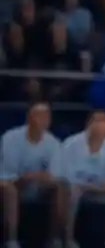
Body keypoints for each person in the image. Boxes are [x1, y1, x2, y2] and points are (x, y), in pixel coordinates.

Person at [55, 111, 105, 248]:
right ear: (88, 126)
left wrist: (94, 187)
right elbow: (67, 178)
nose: (100, 132)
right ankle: (68, 239)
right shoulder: (71, 144)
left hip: (98, 189)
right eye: (97, 127)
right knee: (71, 190)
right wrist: (87, 186)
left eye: (104, 129)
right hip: (75, 190)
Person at [1, 103, 61, 248]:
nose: (44, 121)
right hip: (11, 184)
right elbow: (8, 172)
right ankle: (11, 240)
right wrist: (27, 178)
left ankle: (55, 239)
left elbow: (56, 174)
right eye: (39, 116)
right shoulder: (10, 138)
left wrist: (42, 178)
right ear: (29, 118)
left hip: (39, 187)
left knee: (62, 187)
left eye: (47, 117)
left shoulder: (53, 142)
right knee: (9, 189)